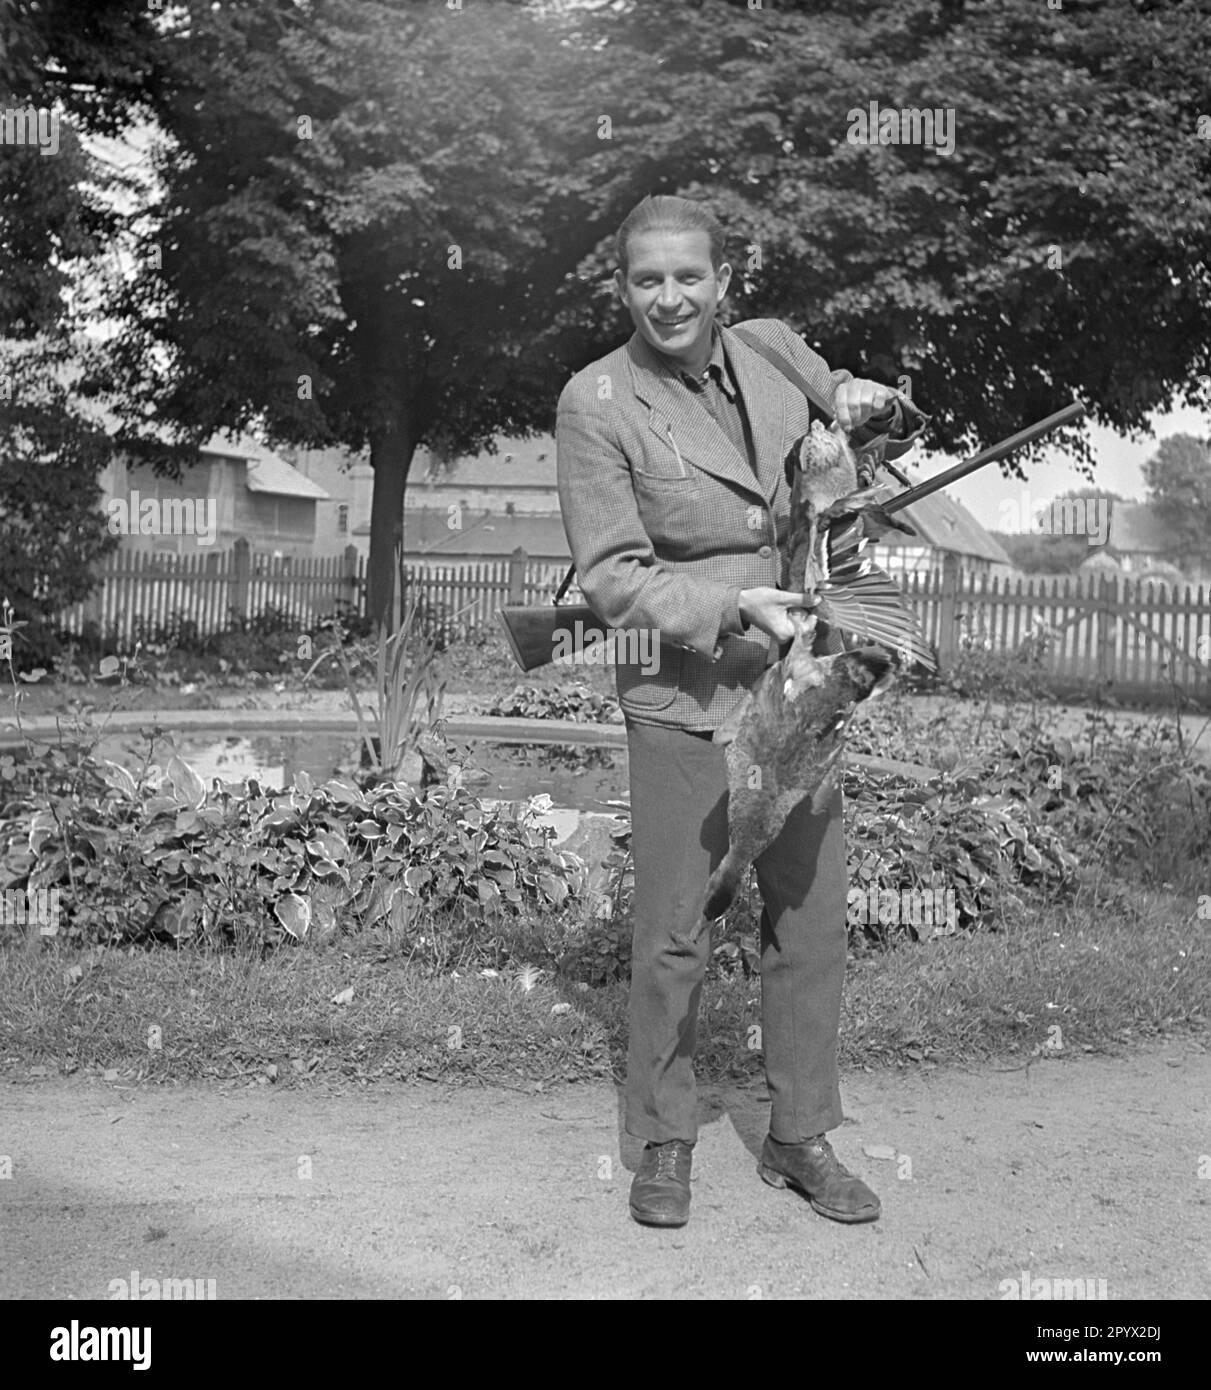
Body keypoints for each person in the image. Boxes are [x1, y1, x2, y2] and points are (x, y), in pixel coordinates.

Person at [555, 194, 925, 1229]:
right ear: (622, 288)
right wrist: (727, 604)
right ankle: (663, 1135)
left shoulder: (769, 348)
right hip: (687, 693)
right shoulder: (593, 400)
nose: (668, 297)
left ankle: (798, 1133)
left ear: (725, 281)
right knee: (677, 926)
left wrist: (869, 413)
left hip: (801, 685)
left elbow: (869, 422)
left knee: (807, 918)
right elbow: (614, 578)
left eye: (688, 276)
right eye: (646, 279)